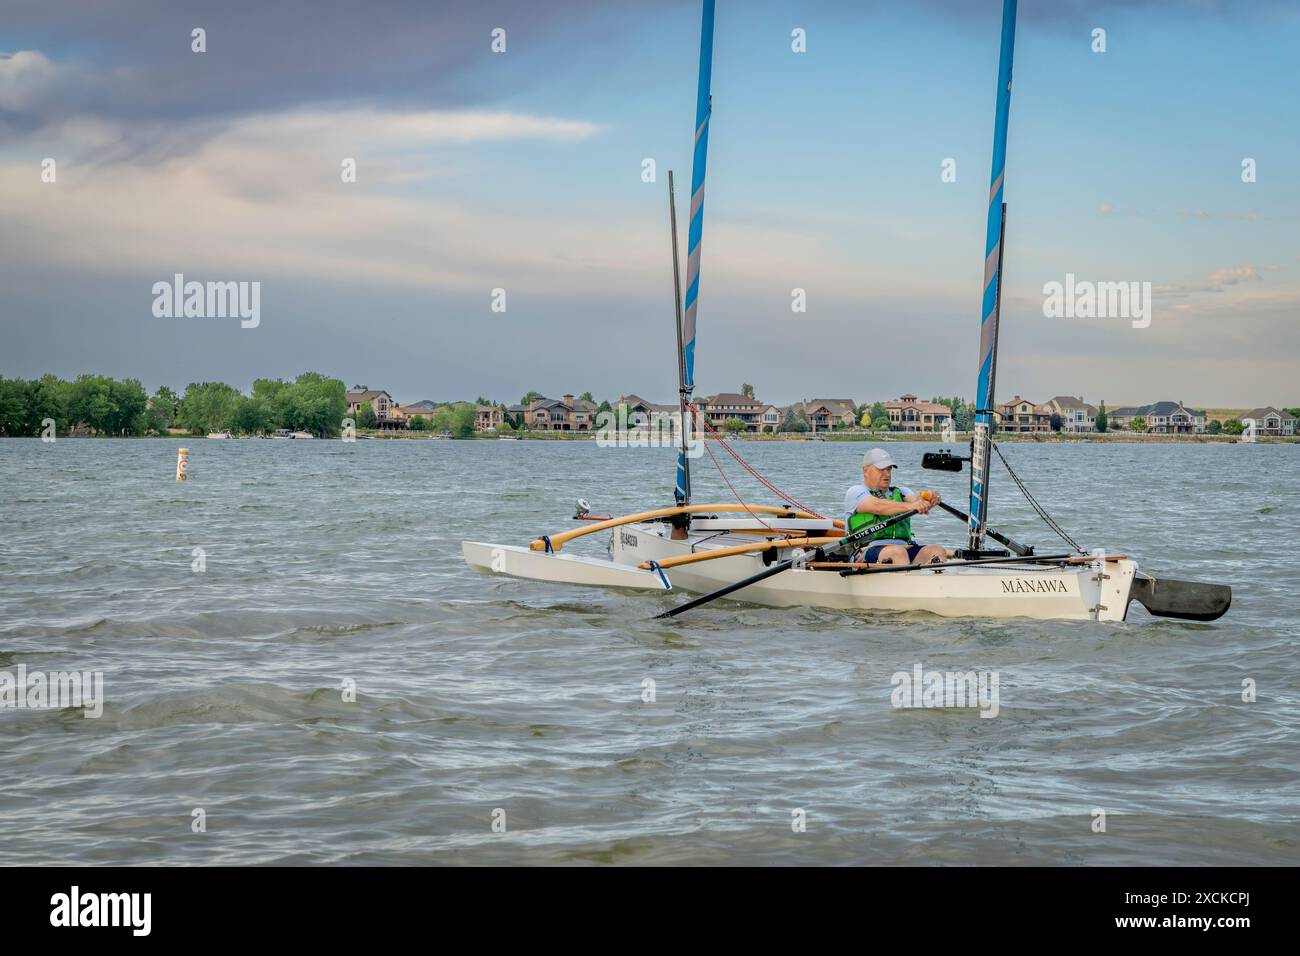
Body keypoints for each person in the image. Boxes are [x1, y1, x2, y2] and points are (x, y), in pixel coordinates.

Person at [844, 448, 951, 565]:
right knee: (898, 553)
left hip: (905, 547)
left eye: (889, 469)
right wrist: (912, 506)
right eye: (881, 469)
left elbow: (916, 500)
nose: (887, 474)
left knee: (937, 551)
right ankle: (906, 579)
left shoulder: (902, 492)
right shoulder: (856, 492)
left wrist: (931, 497)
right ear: (866, 470)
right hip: (867, 550)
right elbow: (877, 506)